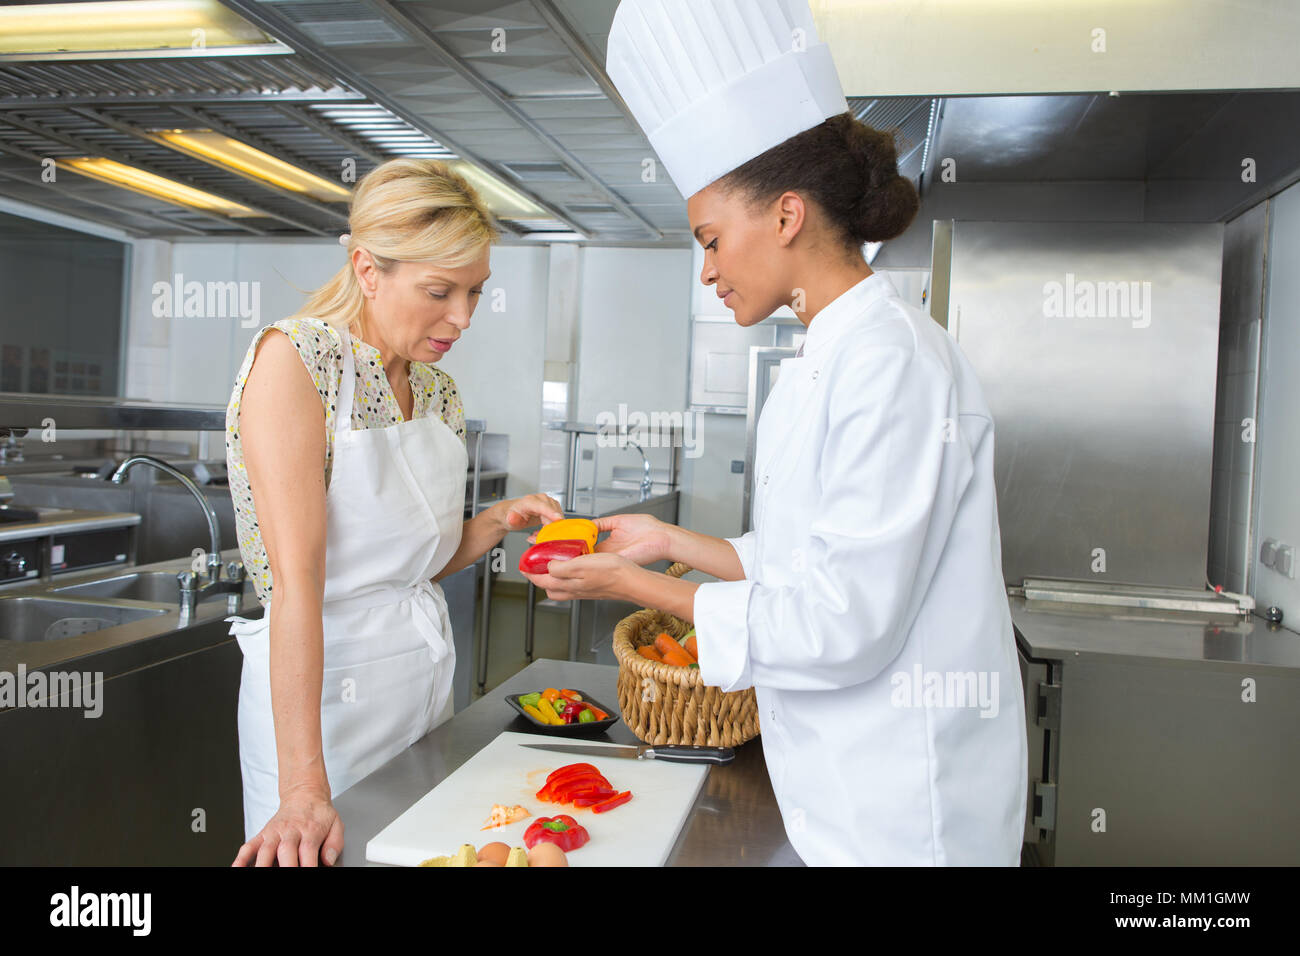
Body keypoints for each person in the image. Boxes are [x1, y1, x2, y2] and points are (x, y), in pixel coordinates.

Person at [521, 0, 1028, 865]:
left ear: (787, 216)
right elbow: (807, 558)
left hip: (906, 811)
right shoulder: (827, 351)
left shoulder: (890, 362)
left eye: (712, 240)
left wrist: (631, 585)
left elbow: (841, 622)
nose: (710, 270)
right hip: (837, 790)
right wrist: (664, 540)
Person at [225, 158, 562, 866]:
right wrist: (302, 787)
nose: (463, 317)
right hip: (321, 713)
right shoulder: (297, 361)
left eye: (475, 292)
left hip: (418, 687)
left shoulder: (437, 388)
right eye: (440, 291)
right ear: (368, 268)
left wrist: (497, 522)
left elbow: (416, 562)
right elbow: (297, 585)